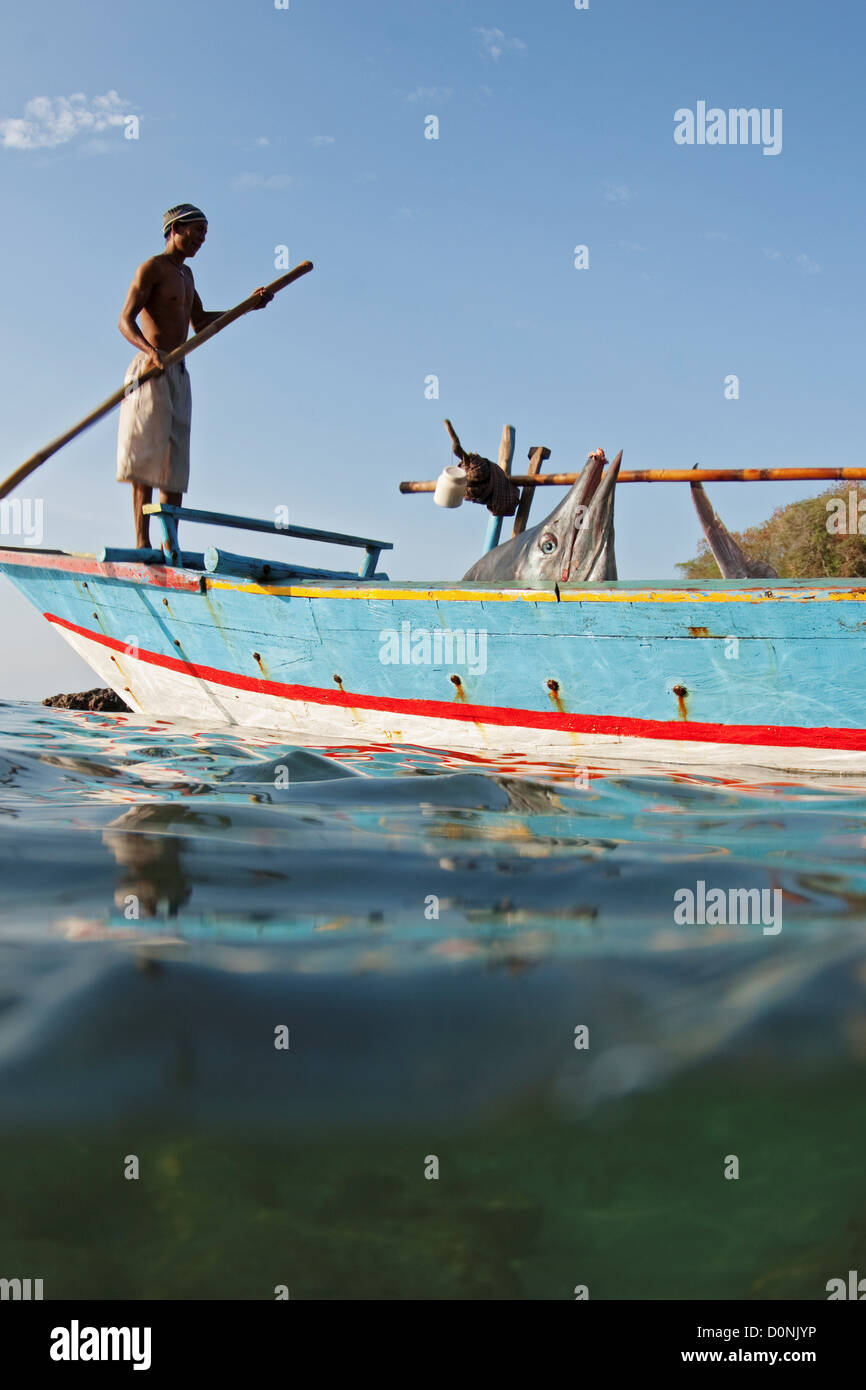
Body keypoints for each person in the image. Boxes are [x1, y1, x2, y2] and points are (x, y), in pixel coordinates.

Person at [116, 203, 273, 548]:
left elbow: (200, 323)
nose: (202, 239)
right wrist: (149, 352)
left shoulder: (187, 276)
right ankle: (142, 543)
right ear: (175, 229)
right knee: (146, 458)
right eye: (197, 231)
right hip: (150, 371)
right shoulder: (152, 269)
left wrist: (247, 306)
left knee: (174, 461)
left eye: (205, 234)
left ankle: (170, 543)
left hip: (178, 371)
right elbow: (124, 320)